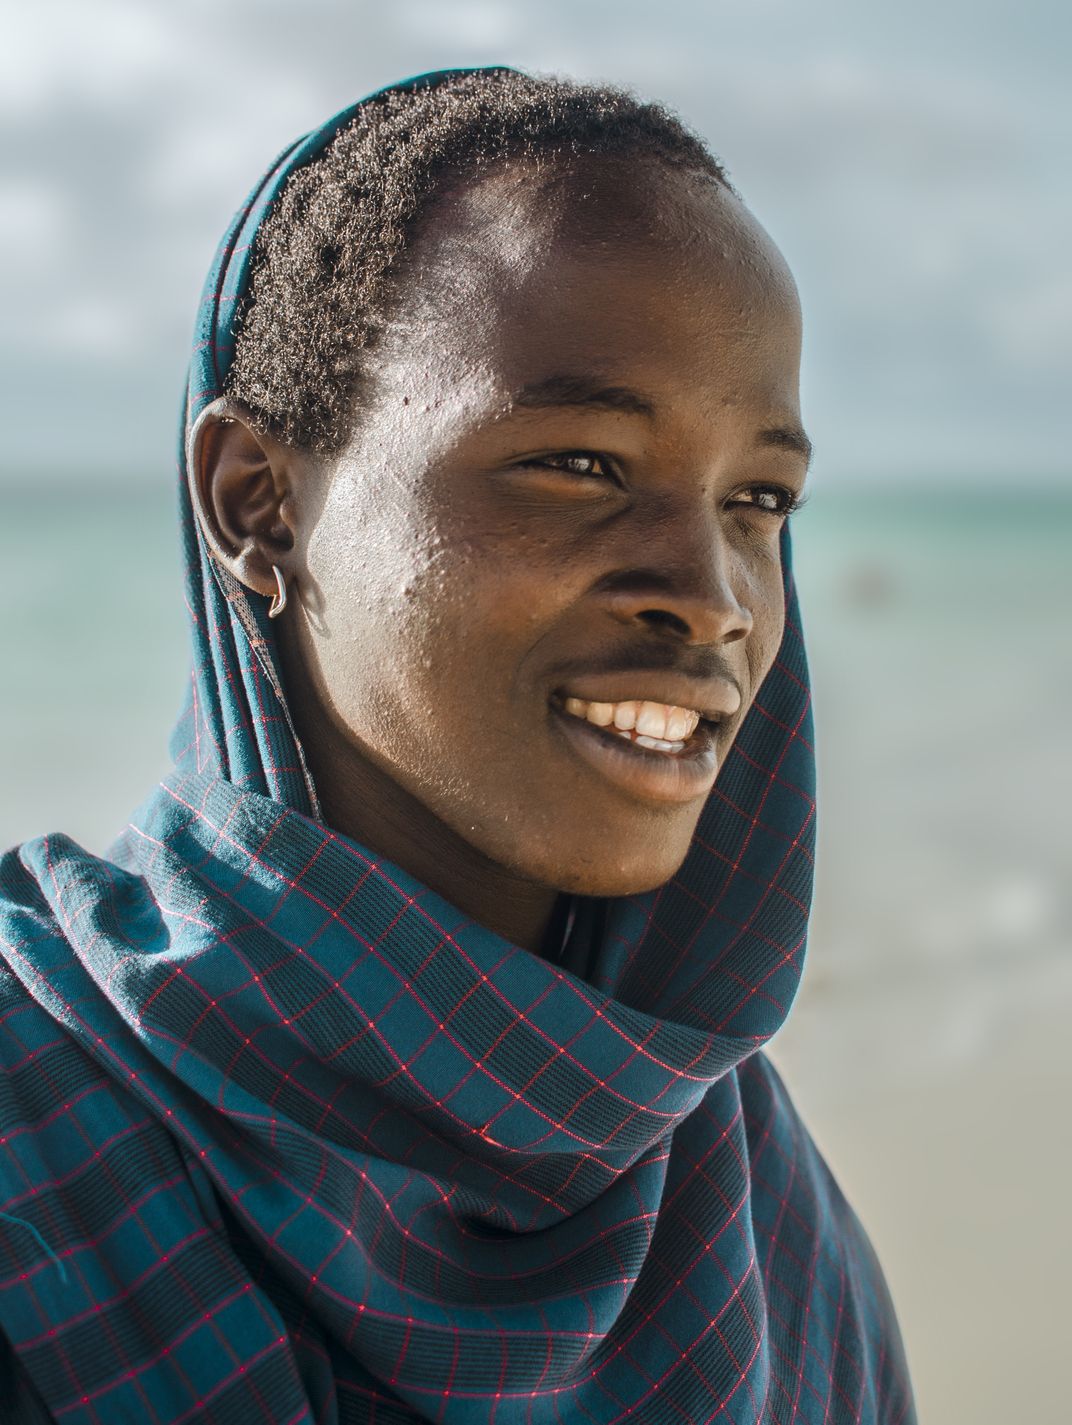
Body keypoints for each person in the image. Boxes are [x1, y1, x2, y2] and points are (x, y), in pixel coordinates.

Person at [0, 68, 915, 1423]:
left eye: (761, 498)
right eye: (583, 464)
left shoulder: (760, 1219)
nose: (713, 592)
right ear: (258, 503)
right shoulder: (39, 1115)